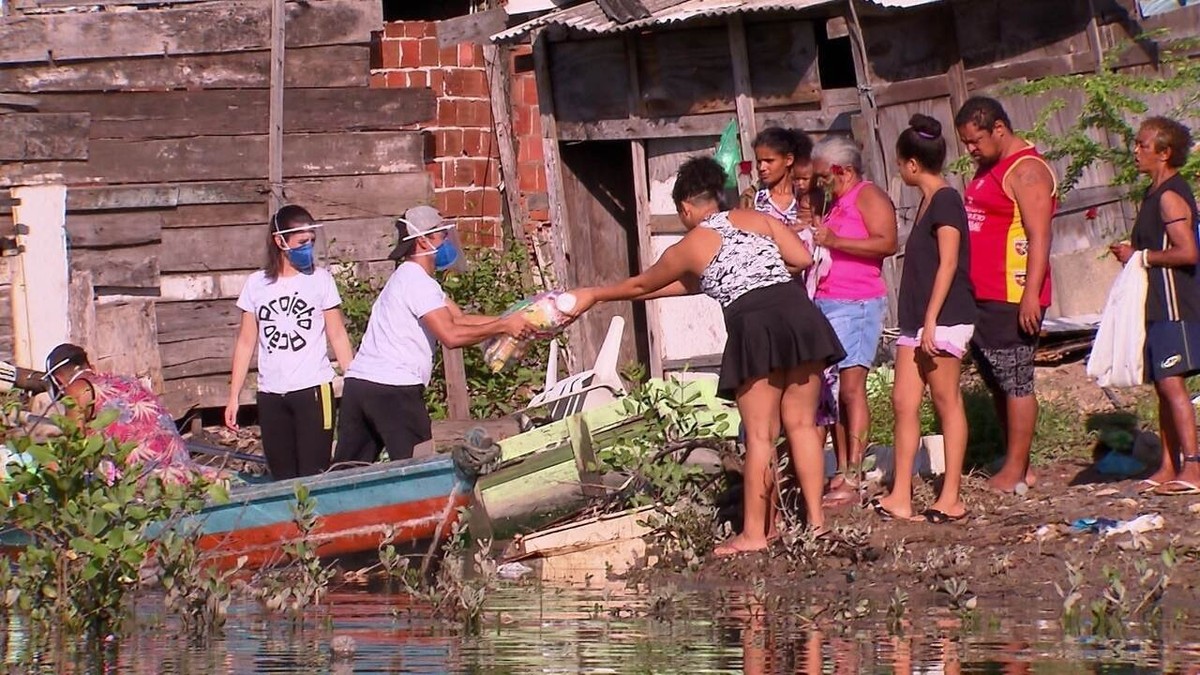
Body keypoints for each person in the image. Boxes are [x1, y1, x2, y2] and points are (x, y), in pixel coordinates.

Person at [566, 156, 845, 555]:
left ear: (685, 208)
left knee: (762, 436)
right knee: (802, 425)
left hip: (755, 326)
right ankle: (816, 525)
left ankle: (753, 535)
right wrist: (750, 274)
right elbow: (801, 260)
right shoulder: (756, 218)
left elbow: (641, 284)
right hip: (797, 314)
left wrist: (593, 294)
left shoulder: (691, 243)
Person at [332, 205, 532, 466]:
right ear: (422, 241)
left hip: (360, 386)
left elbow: (458, 319)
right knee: (418, 467)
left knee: (349, 472)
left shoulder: (410, 279)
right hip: (393, 390)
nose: (447, 242)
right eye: (441, 236)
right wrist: (503, 328)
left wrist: (510, 320)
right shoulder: (418, 283)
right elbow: (451, 335)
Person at [871, 115, 975, 523]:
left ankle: (951, 496)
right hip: (916, 322)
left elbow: (949, 263)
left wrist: (931, 319)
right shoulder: (926, 204)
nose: (900, 171)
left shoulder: (947, 200)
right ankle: (901, 494)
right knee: (903, 402)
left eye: (900, 164)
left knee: (946, 400)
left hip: (944, 318)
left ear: (913, 164)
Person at [955, 96, 1056, 493]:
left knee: (1016, 380)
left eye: (976, 140)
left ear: (1000, 128)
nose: (971, 149)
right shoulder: (988, 168)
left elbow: (1040, 235)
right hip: (983, 291)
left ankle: (1015, 469)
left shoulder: (1027, 170)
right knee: (997, 380)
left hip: (1012, 294)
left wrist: (1031, 294)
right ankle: (1019, 463)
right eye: (966, 142)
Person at [225, 205, 355, 480]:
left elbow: (338, 334)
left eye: (311, 242)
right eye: (301, 242)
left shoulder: (321, 280)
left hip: (313, 391)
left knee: (314, 473)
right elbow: (247, 342)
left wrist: (353, 380)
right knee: (282, 477)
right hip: (271, 394)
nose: (307, 248)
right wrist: (233, 397)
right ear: (280, 241)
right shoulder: (256, 284)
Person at [1109, 117, 1200, 496]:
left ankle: (1194, 469)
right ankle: (1168, 464)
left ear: (1164, 153)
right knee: (1162, 388)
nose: (1136, 150)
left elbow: (1188, 252)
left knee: (1171, 383)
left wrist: (1140, 256)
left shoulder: (1170, 196)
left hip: (1176, 306)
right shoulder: (1152, 194)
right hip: (1156, 305)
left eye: (1143, 145)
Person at [810, 136, 898, 506]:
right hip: (828, 301)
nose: (818, 183)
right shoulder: (834, 202)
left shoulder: (868, 195)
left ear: (842, 171)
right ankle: (842, 469)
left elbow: (886, 243)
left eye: (821, 176)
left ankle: (853, 472)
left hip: (858, 302)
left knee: (851, 389)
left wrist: (835, 241)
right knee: (831, 395)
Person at [42, 343, 213, 483]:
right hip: (183, 471)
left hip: (146, 482)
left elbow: (71, 450)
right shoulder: (128, 381)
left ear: (58, 380)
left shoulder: (77, 389)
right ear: (91, 366)